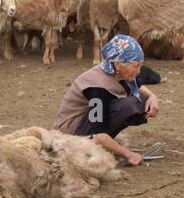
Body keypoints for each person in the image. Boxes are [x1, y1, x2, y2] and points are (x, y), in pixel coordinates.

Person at [53, 35, 160, 166]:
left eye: (140, 66)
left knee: (140, 99)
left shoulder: (113, 70)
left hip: (88, 124)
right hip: (70, 136)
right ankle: (92, 147)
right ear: (118, 64)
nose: (138, 71)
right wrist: (129, 154)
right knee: (128, 105)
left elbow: (136, 84)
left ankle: (105, 145)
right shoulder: (97, 89)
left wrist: (152, 97)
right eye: (136, 66)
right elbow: (98, 134)